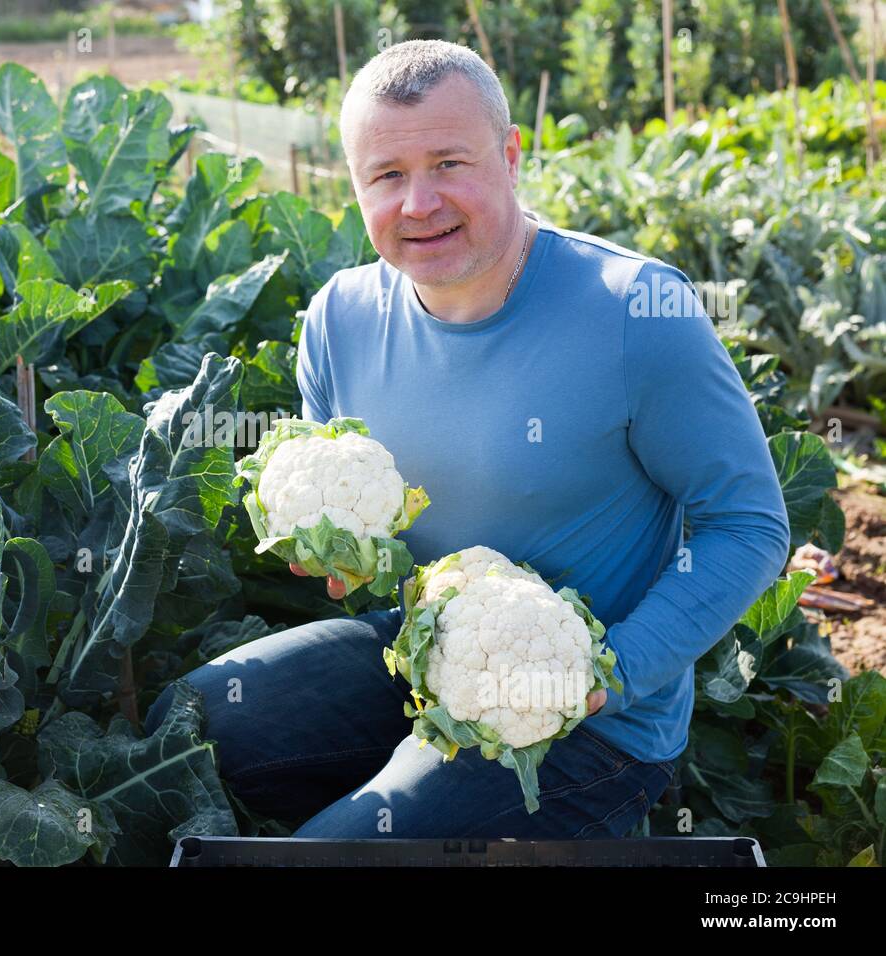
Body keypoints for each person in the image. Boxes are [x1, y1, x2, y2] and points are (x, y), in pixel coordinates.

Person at [144, 39, 790, 839]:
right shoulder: (339, 318)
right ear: (355, 185)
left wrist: (607, 673)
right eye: (387, 175)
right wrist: (337, 555)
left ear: (512, 155)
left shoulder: (633, 311)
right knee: (190, 723)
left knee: (328, 857)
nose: (419, 203)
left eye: (450, 163)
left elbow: (749, 524)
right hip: (415, 657)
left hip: (590, 725)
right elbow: (355, 526)